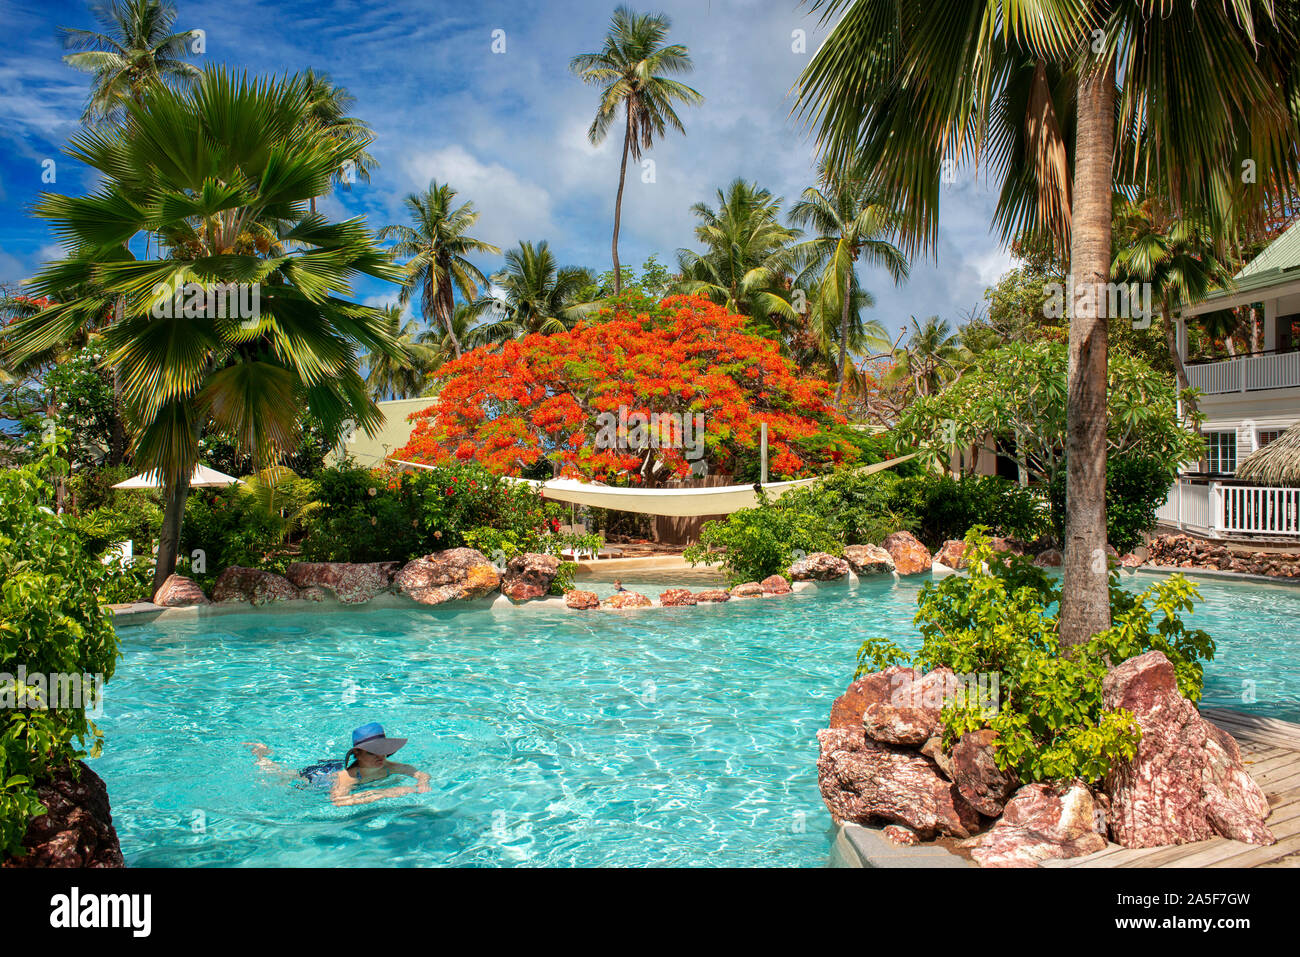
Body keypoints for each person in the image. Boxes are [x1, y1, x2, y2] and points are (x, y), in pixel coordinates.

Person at [245, 722, 430, 807]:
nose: (379, 756)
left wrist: (422, 783)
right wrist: (387, 793)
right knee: (280, 776)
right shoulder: (348, 778)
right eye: (371, 752)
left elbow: (418, 772)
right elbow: (339, 802)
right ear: (357, 753)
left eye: (382, 750)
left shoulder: (388, 765)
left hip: (341, 766)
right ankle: (261, 754)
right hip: (321, 776)